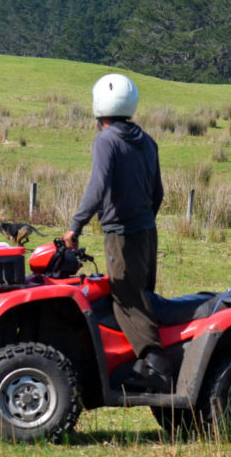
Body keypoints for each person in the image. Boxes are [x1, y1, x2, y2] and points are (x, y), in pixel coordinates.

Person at [63, 73, 169, 392]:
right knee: (143, 294)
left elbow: (98, 186)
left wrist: (75, 226)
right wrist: (145, 220)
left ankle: (155, 364)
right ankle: (140, 361)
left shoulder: (106, 141)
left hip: (121, 233)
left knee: (126, 298)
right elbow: (158, 192)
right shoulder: (148, 141)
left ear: (99, 109)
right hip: (147, 231)